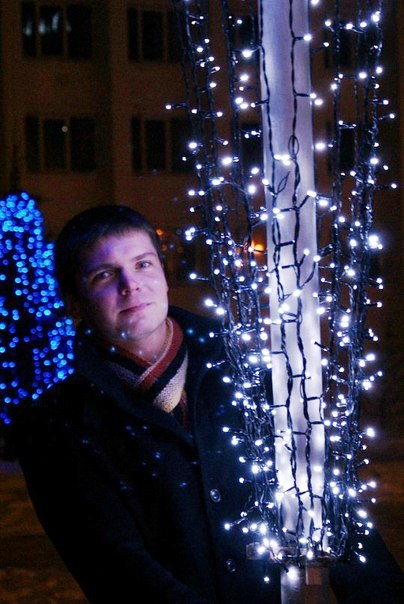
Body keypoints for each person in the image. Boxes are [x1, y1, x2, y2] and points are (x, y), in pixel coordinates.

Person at [11, 205, 404, 603]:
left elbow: (328, 505)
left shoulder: (249, 374)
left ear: (163, 274)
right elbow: (115, 565)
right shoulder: (56, 425)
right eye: (104, 275)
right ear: (75, 302)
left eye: (143, 264)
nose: (131, 285)